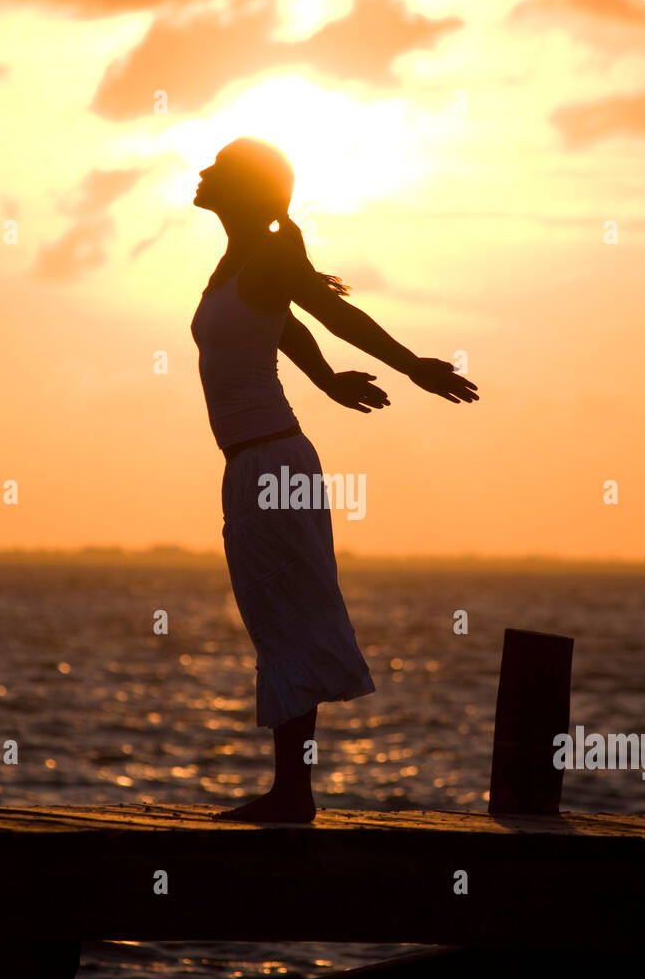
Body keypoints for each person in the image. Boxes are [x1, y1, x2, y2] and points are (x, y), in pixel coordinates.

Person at [191, 137, 479, 822]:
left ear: (245, 188)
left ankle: (293, 795)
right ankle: (291, 791)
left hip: (273, 465)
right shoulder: (242, 261)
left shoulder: (267, 256)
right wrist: (324, 381)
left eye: (219, 167)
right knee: (275, 617)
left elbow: (334, 314)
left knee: (290, 614)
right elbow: (284, 326)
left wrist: (413, 367)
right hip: (253, 464)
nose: (202, 172)